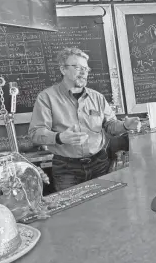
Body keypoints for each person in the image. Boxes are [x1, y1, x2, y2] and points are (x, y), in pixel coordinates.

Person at [29, 47, 140, 192]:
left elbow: (110, 126)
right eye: (77, 67)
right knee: (73, 211)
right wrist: (60, 137)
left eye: (86, 69)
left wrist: (125, 125)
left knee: (105, 206)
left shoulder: (97, 97)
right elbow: (35, 133)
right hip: (66, 169)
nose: (83, 72)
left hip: (99, 163)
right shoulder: (47, 98)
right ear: (63, 69)